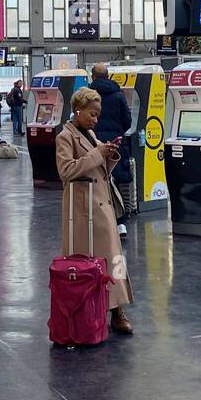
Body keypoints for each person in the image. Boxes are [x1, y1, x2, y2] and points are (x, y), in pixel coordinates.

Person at [56, 87, 134, 334]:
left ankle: (117, 308)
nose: (96, 120)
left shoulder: (89, 133)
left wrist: (108, 154)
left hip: (102, 207)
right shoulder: (64, 137)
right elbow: (66, 171)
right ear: (77, 111)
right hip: (82, 212)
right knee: (88, 263)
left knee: (114, 258)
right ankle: (93, 311)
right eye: (92, 114)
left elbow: (99, 167)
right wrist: (97, 154)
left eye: (98, 114)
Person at [90, 62, 133, 225]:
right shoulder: (118, 95)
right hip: (116, 143)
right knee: (117, 178)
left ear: (92, 77)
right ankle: (119, 216)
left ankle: (100, 215)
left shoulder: (87, 96)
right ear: (108, 76)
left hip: (95, 143)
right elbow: (127, 121)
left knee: (98, 179)